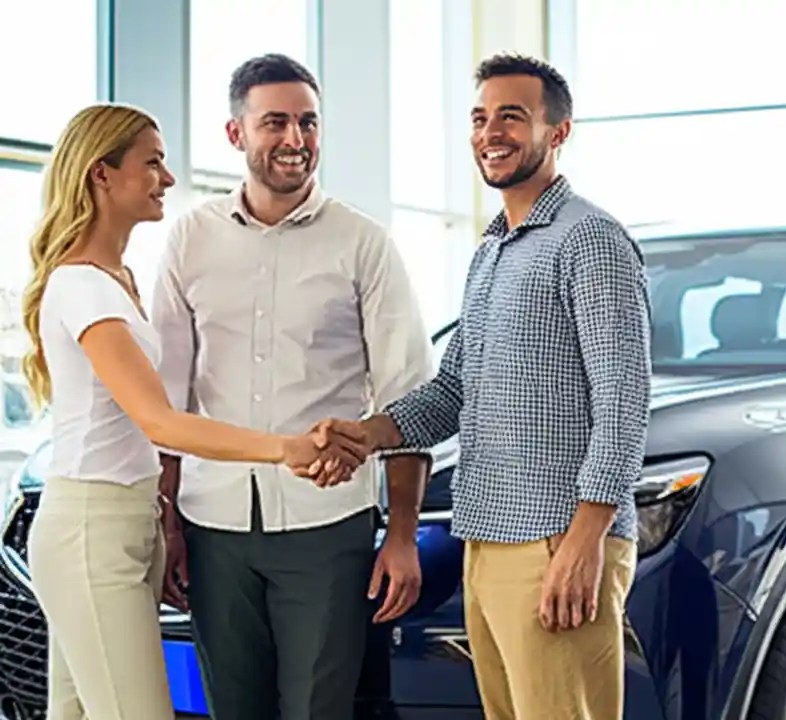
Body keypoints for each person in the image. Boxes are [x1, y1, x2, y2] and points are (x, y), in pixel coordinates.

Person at [317, 53, 651, 720]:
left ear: (557, 132)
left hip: (557, 540)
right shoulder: (495, 249)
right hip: (488, 539)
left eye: (512, 116)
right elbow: (453, 390)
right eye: (480, 117)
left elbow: (624, 401)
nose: (491, 131)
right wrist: (369, 434)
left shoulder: (591, 240)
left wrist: (585, 541)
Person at [20, 103, 370, 720]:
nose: (168, 178)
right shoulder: (81, 285)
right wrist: (282, 448)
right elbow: (160, 421)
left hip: (125, 520)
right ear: (102, 175)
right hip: (90, 529)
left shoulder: (120, 278)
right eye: (151, 163)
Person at [149, 53, 434, 720]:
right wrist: (165, 518)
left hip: (327, 526)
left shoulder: (365, 243)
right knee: (232, 709)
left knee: (318, 710)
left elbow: (407, 396)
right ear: (235, 133)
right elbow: (166, 396)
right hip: (212, 524)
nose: (296, 139)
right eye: (275, 122)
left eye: (309, 122)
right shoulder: (190, 238)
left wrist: (401, 534)